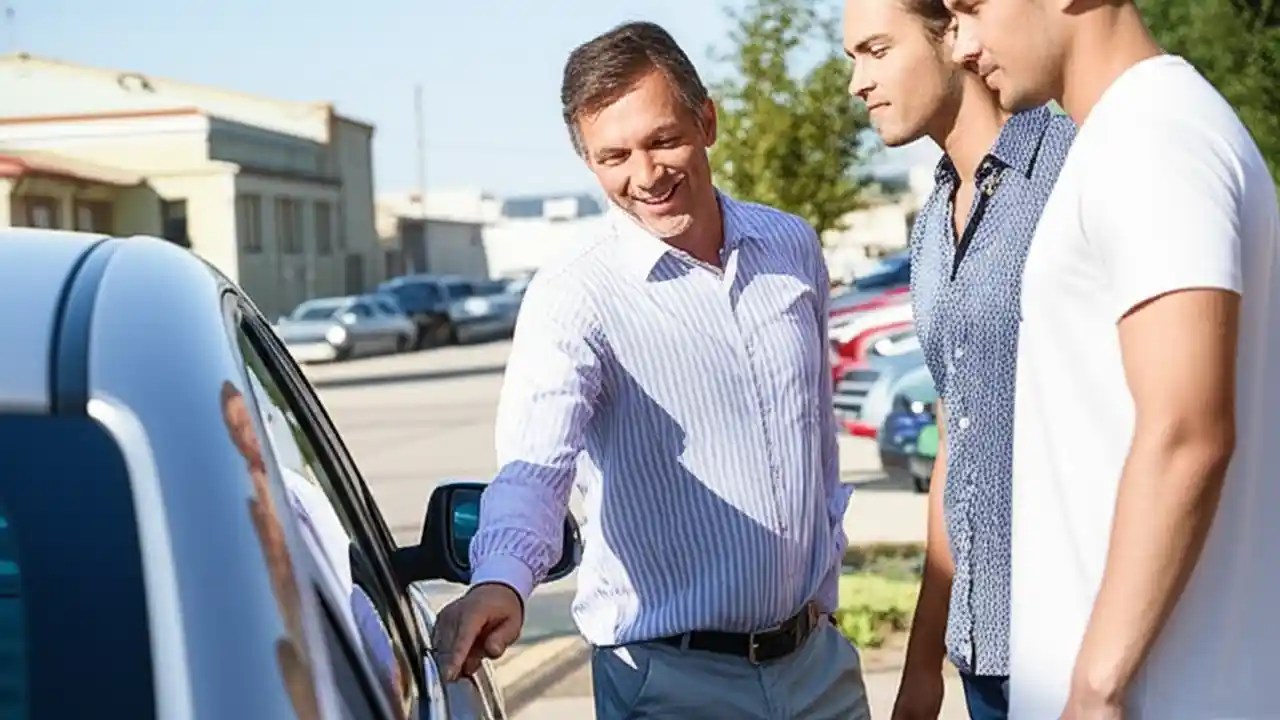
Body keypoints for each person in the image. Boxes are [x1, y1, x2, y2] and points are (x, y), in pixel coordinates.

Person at [431, 20, 871, 719]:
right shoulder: (574, 295)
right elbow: (534, 468)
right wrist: (502, 580)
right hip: (669, 687)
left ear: (707, 121)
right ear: (589, 163)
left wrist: (825, 602)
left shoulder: (791, 246)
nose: (645, 175)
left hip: (817, 672)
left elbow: (816, 441)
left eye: (663, 140)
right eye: (614, 156)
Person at [945, 0, 1280, 717]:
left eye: (971, 9)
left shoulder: (1151, 139)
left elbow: (1189, 431)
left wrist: (1096, 688)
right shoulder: (1132, 135)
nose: (962, 47)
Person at [842, 1, 1074, 717]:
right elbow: (957, 444)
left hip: (1079, 651)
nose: (857, 82)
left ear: (954, 34)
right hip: (984, 658)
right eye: (853, 57)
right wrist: (922, 664)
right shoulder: (932, 229)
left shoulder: (1074, 169)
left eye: (877, 50)